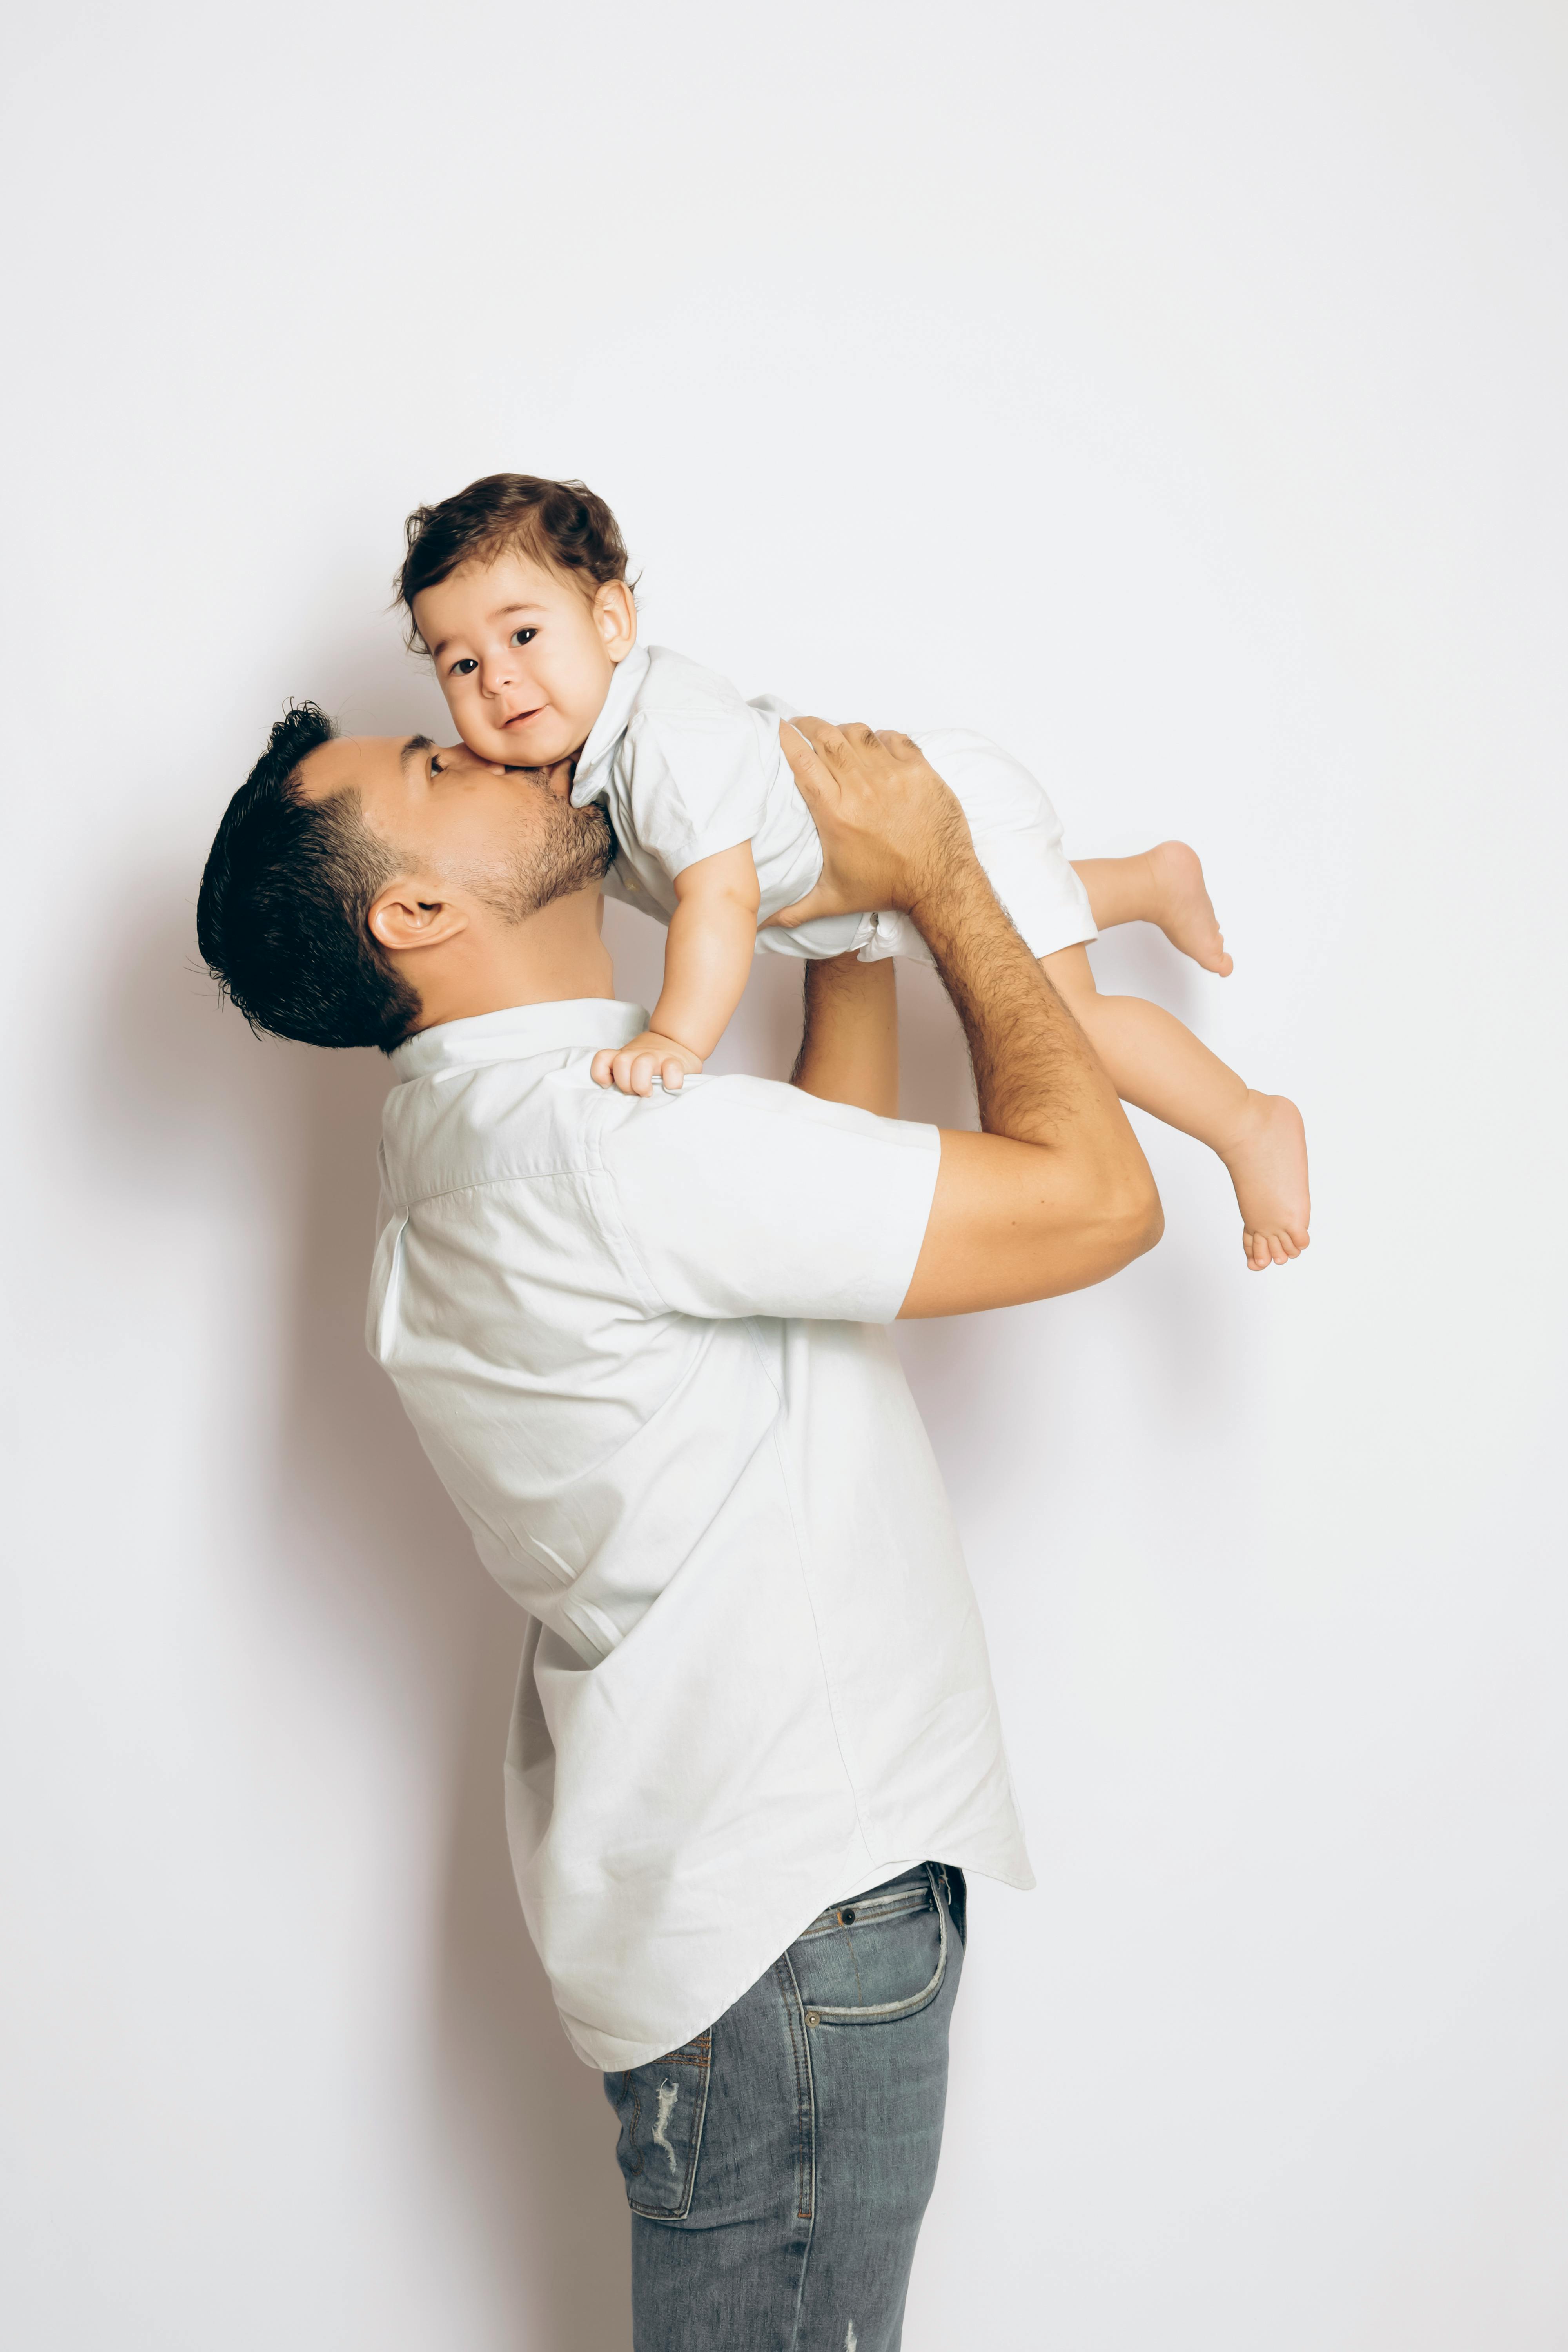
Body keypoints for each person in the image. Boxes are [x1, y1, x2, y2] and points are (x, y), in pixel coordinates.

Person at [196, 699, 1161, 2351]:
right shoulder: (605, 1152)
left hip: (749, 1911)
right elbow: (1100, 1203)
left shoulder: (481, 1136)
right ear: (411, 912)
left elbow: (807, 1221)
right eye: (434, 768)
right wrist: (939, 876)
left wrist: (842, 928)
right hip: (796, 1924)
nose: (497, 737)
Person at [397, 471, 1309, 1270]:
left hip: (943, 815)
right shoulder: (575, 761)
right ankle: (1147, 881)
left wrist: (675, 1038)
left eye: (524, 635)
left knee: (1069, 1019)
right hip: (877, 887)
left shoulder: (664, 743)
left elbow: (720, 897)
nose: (497, 681)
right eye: (463, 664)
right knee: (1009, 917)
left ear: (610, 622)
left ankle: (1247, 1121)